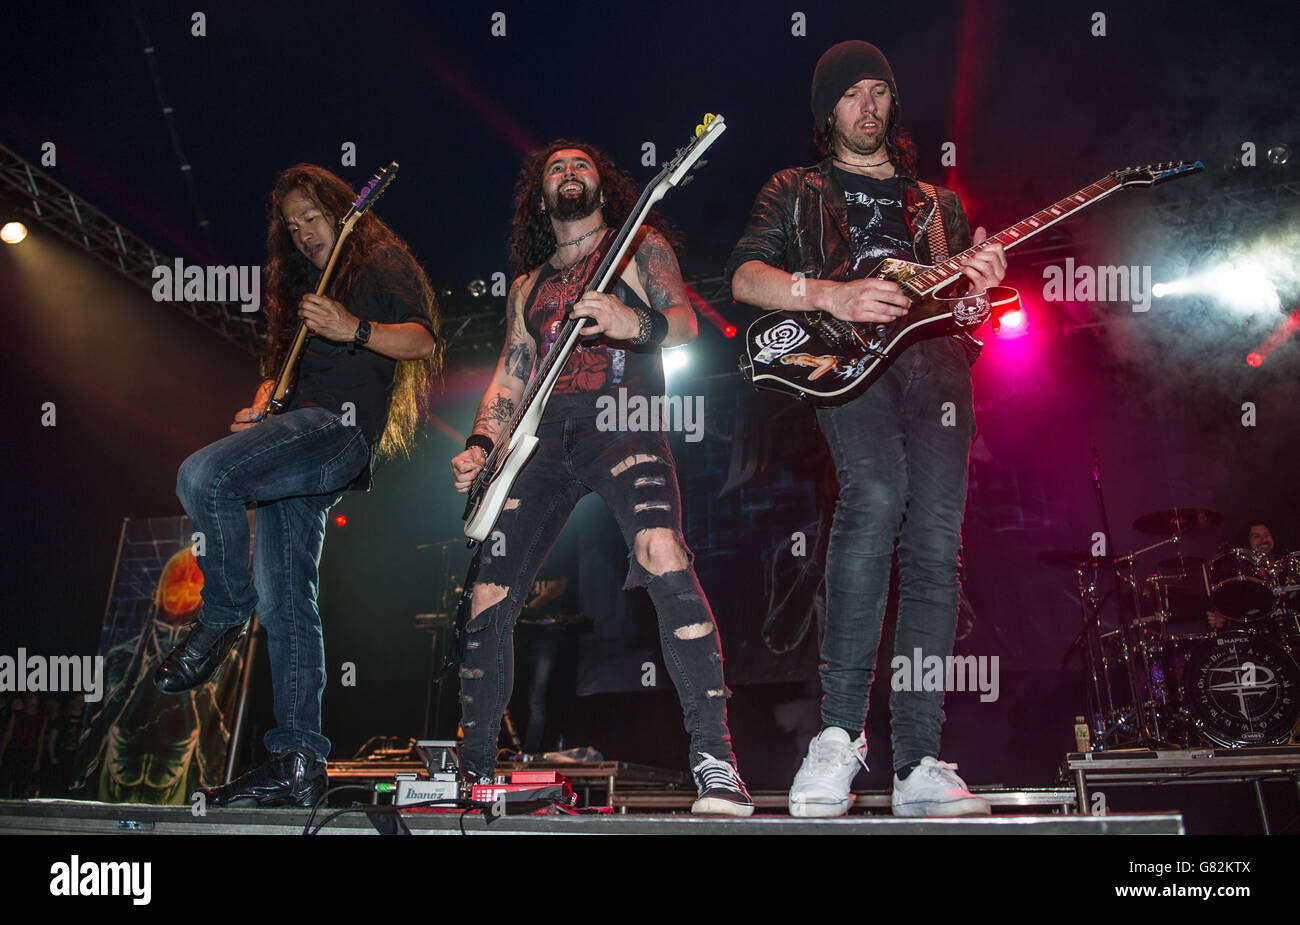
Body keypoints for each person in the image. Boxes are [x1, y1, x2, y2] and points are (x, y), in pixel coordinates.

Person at [728, 41, 1007, 817]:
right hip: (849, 362)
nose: (868, 106)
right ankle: (838, 737)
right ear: (828, 113)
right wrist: (834, 294)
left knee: (933, 544)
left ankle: (919, 760)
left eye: (879, 91)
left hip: (939, 364)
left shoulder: (937, 204)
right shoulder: (796, 188)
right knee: (876, 496)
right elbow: (745, 278)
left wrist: (978, 293)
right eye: (851, 94)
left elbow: (963, 306)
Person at [449, 139, 752, 815]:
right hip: (542, 438)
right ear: (541, 193)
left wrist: (628, 318)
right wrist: (481, 442)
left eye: (580, 163)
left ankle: (716, 760)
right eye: (555, 166)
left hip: (624, 417)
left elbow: (685, 327)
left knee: (661, 550)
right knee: (488, 594)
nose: (567, 172)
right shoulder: (527, 286)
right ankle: (472, 775)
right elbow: (511, 372)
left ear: (602, 184)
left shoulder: (638, 244)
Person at [158, 164, 440, 807]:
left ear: (341, 211)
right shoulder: (294, 283)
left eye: (313, 216)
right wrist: (261, 407)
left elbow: (421, 340)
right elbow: (278, 375)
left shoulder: (378, 258)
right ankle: (297, 759)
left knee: (202, 474)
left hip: (335, 433)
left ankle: (223, 618)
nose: (305, 232)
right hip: (295, 434)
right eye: (292, 225)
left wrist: (353, 328)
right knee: (287, 600)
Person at [1207, 521, 1280, 630]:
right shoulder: (1244, 579)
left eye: (1267, 535)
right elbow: (1237, 616)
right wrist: (1222, 622)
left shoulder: (1285, 566)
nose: (1264, 540)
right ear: (1247, 542)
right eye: (1257, 536)